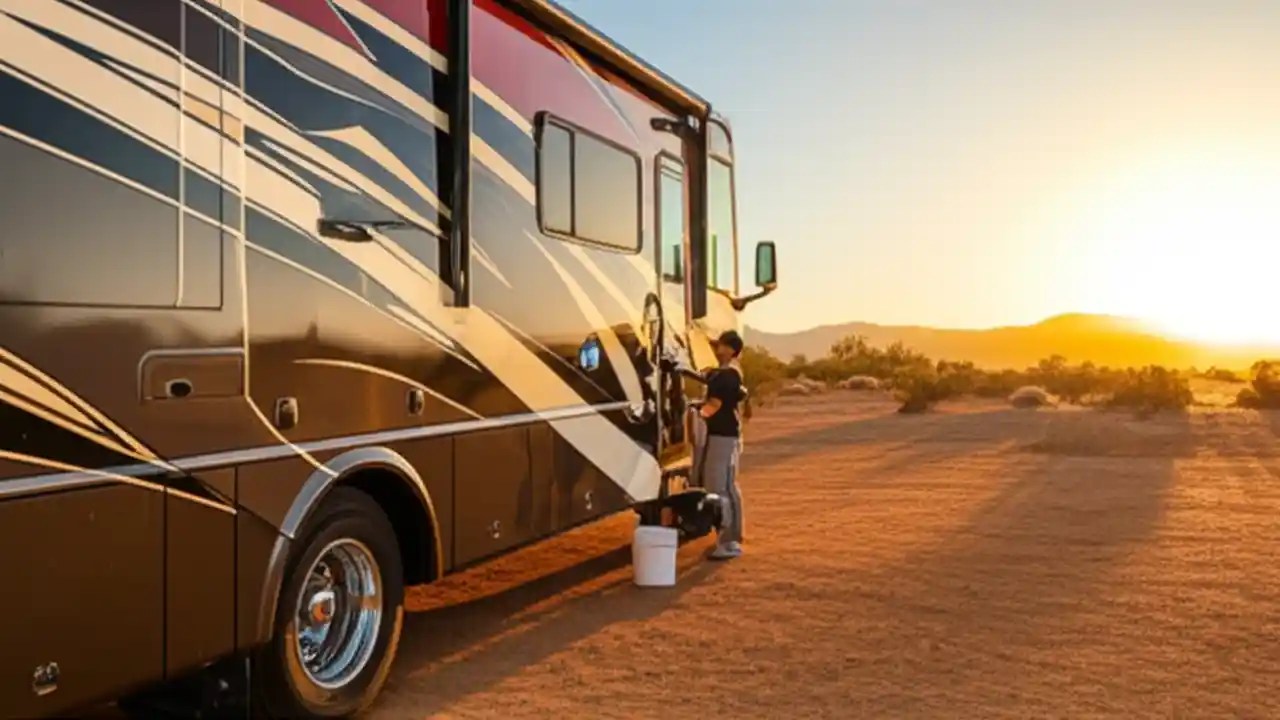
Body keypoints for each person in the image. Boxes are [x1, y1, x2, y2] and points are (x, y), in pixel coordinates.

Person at [698, 330, 747, 560]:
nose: (717, 349)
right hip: (728, 435)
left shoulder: (725, 376)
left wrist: (697, 413)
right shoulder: (731, 373)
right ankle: (734, 535)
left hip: (722, 436)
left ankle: (728, 542)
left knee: (719, 486)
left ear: (730, 349)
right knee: (728, 485)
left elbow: (714, 404)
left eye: (721, 345)